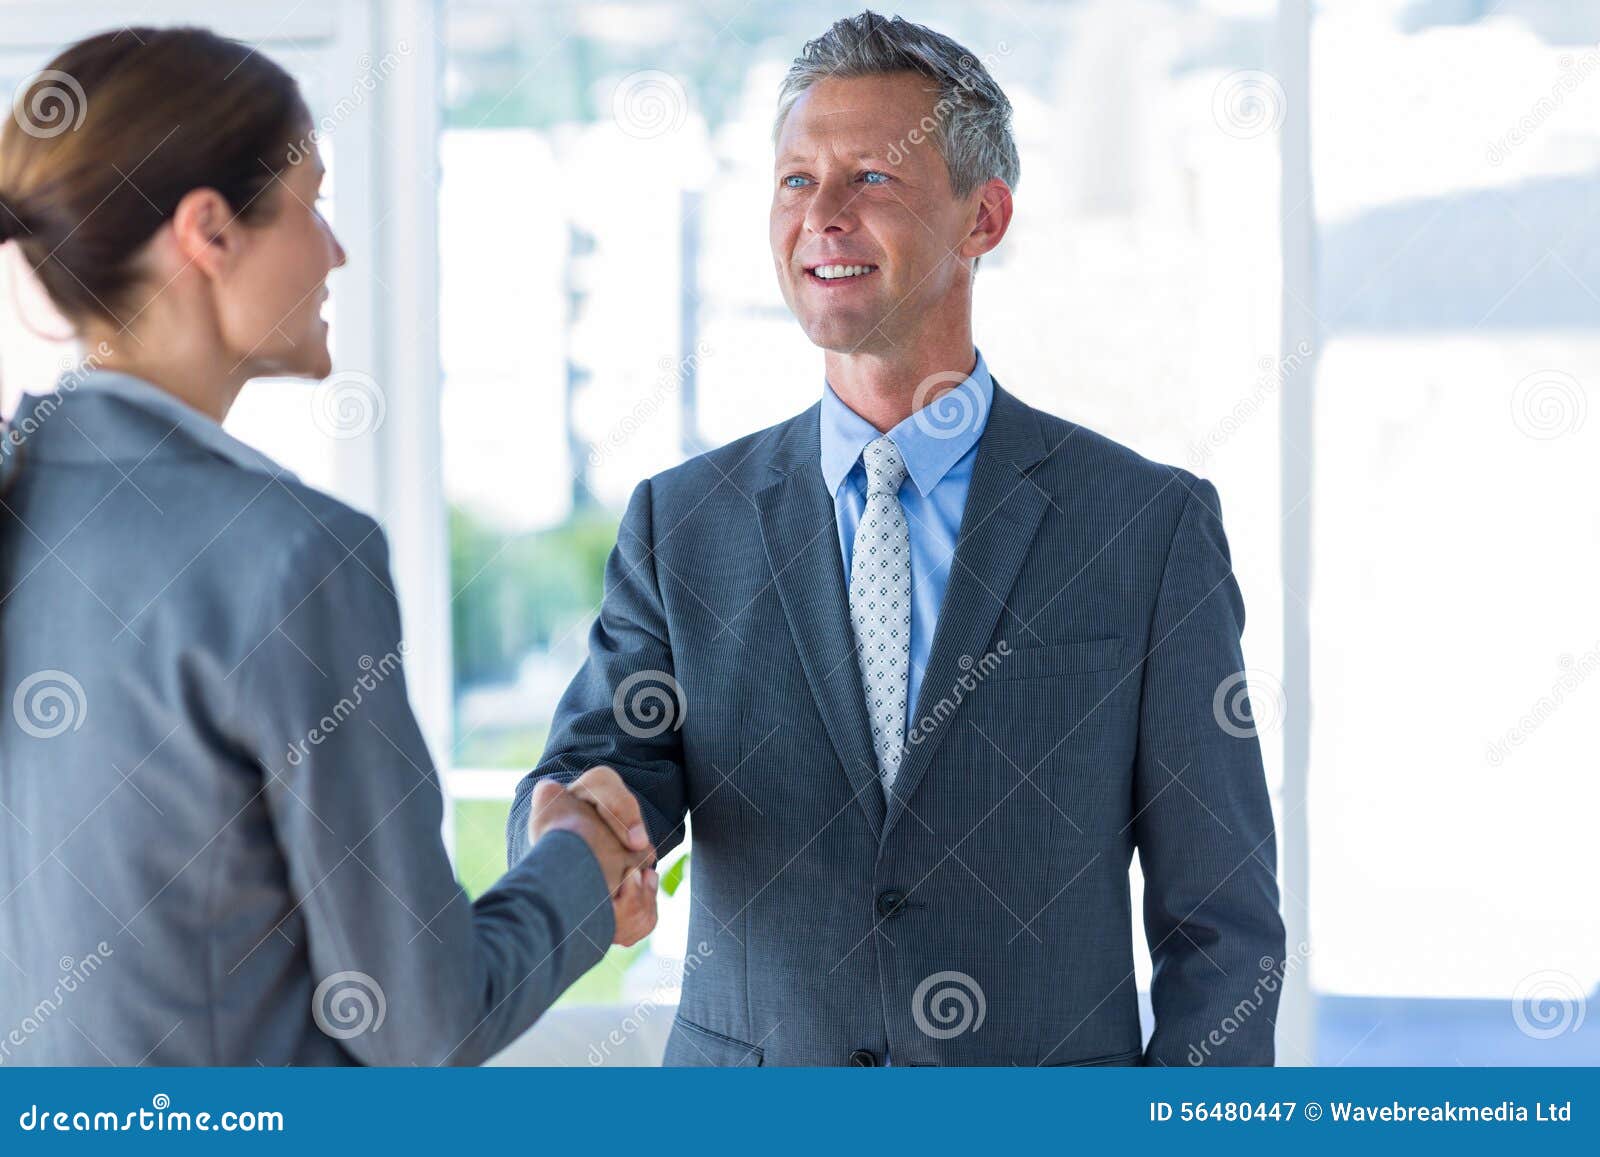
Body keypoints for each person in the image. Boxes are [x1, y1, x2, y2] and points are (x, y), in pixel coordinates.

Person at [510, 11, 1287, 1066]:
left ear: (984, 217)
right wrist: (573, 834)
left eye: (870, 177)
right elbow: (605, 771)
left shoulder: (1145, 528)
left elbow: (1222, 926)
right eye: (794, 180)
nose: (821, 215)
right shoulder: (681, 521)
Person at [0, 26, 655, 1067]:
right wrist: (575, 860)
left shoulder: (23, 492)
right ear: (209, 232)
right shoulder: (289, 557)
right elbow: (422, 1022)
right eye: (311, 202)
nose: (336, 250)